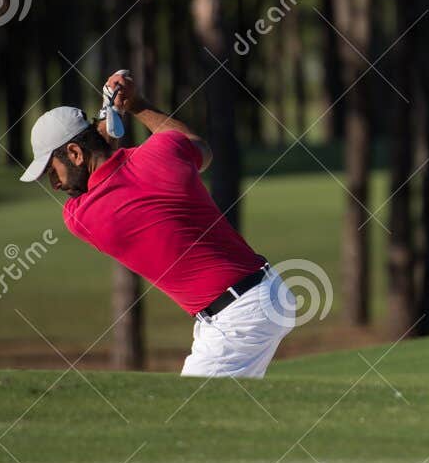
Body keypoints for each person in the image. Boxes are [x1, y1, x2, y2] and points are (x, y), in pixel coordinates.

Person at [18, 73, 294, 378]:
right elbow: (197, 146)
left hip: (237, 315)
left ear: (74, 153)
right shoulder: (164, 151)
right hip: (263, 292)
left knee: (191, 418)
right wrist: (137, 104)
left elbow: (104, 162)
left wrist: (108, 119)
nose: (54, 183)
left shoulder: (81, 216)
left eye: (51, 170)